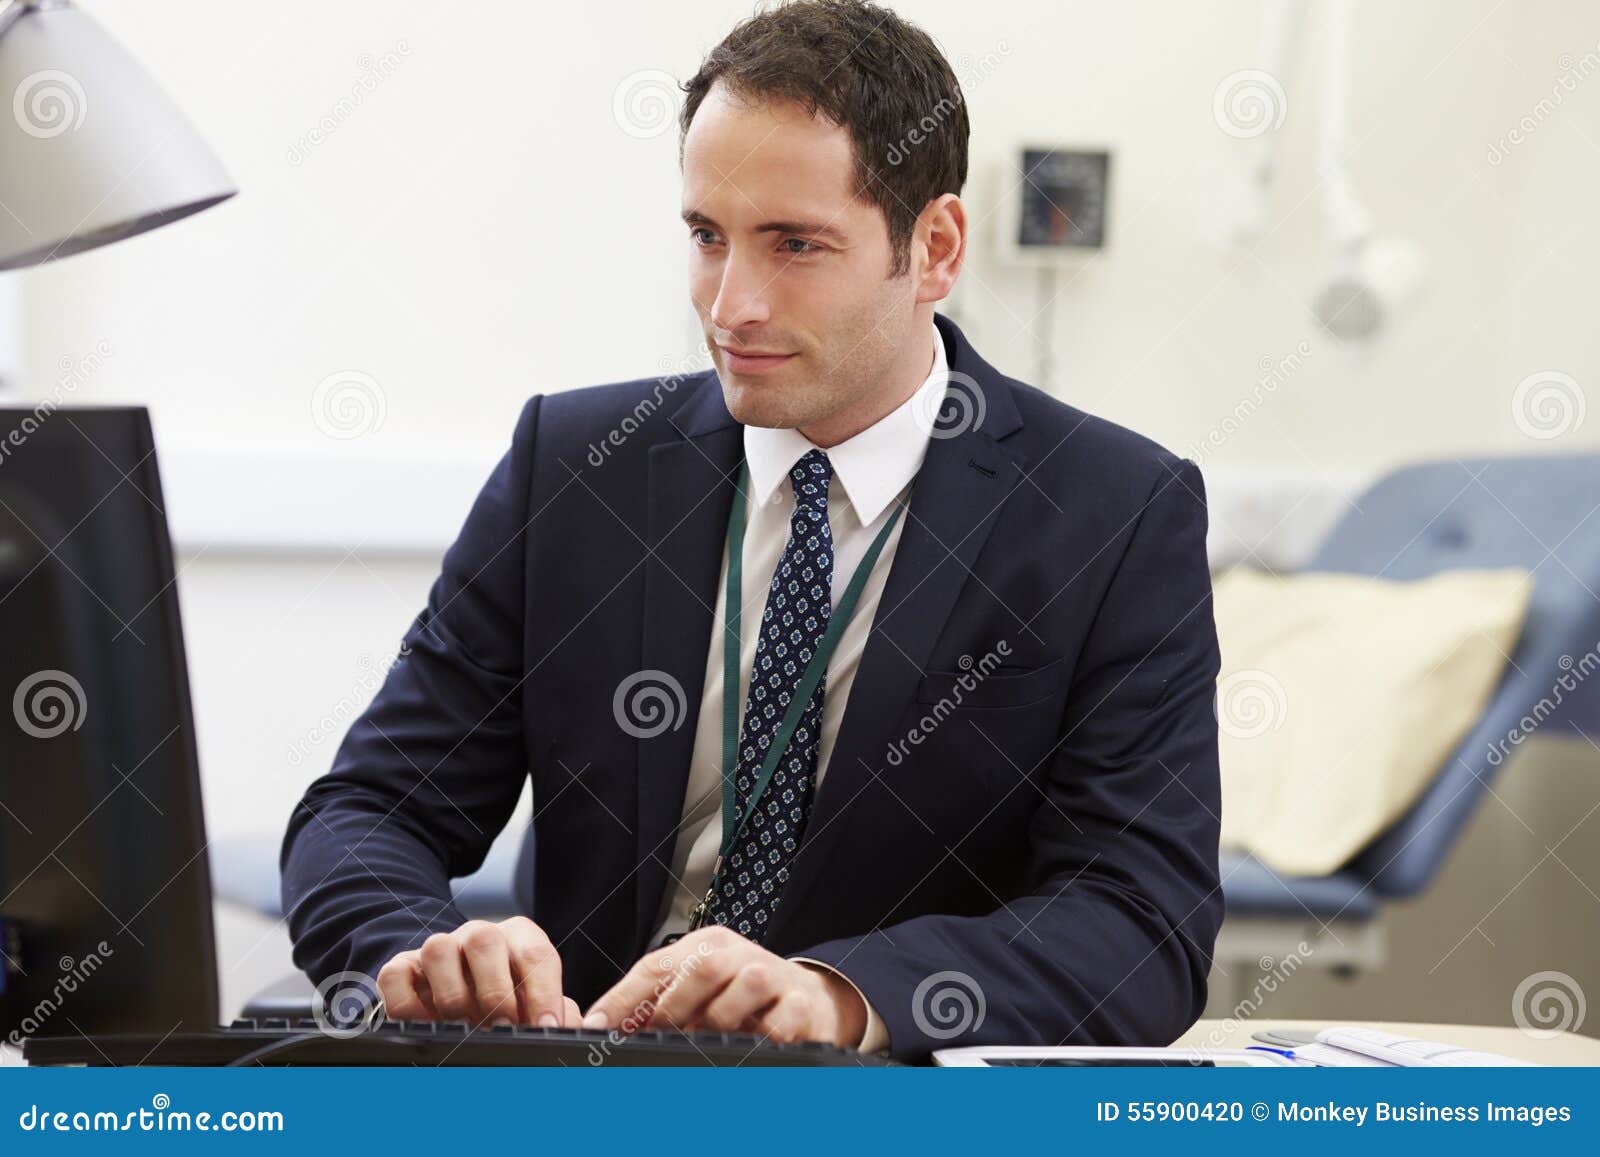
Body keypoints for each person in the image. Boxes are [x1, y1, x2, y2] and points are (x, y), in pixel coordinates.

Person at [280, 0, 1222, 1062]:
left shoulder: (1112, 512)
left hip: (872, 1099)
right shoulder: (577, 465)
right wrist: (426, 949)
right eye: (706, 237)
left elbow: (1141, 921)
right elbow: (366, 810)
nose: (731, 304)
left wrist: (839, 995)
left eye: (795, 245)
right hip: (578, 1088)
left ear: (936, 246)